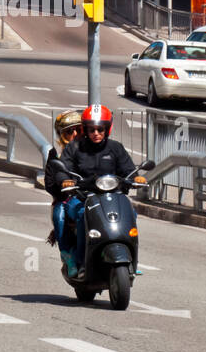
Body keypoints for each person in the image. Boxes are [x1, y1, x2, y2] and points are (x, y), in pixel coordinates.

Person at [57, 104, 144, 278]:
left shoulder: (115, 148)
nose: (96, 133)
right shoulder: (74, 148)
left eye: (100, 129)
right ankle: (81, 263)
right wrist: (65, 180)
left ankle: (133, 261)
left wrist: (136, 178)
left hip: (112, 197)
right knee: (83, 217)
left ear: (107, 129)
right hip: (82, 197)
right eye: (91, 129)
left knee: (131, 214)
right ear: (85, 129)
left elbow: (128, 169)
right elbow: (62, 169)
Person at [44, 109, 82, 272]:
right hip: (67, 199)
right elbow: (49, 182)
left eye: (78, 130)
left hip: (93, 196)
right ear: (61, 135)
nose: (74, 134)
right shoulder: (56, 156)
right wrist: (63, 184)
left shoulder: (93, 150)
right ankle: (68, 255)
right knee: (59, 215)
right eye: (69, 132)